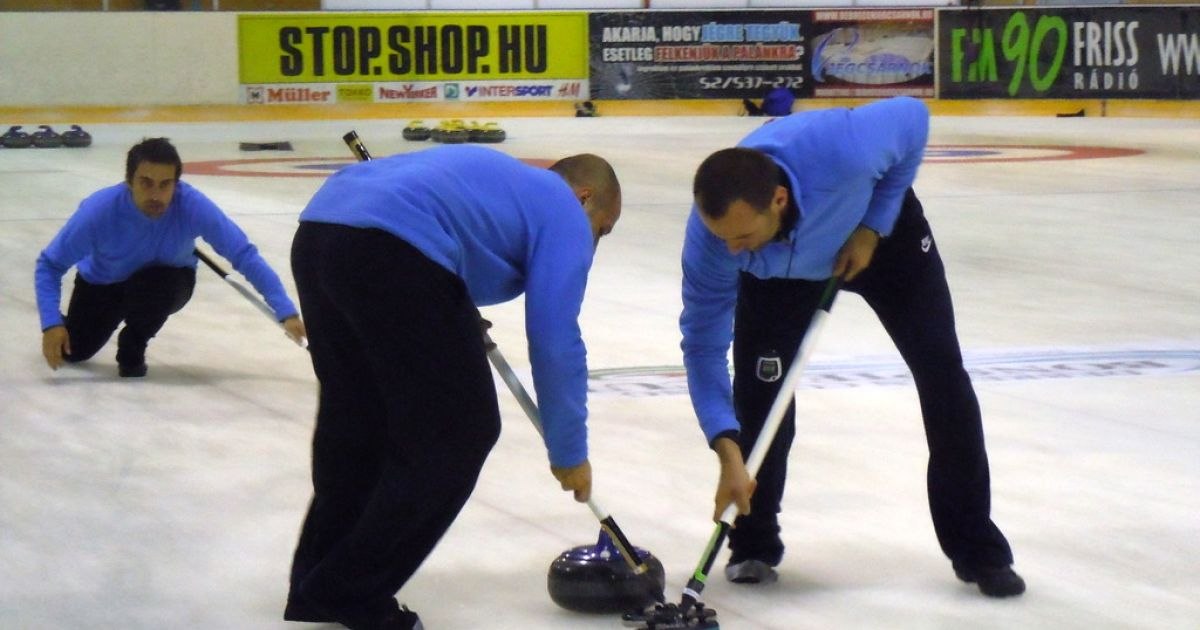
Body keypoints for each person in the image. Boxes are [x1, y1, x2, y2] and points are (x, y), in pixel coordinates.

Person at [680, 96, 1024, 597]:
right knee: (759, 393)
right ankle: (753, 541)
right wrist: (724, 446)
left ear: (777, 200)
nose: (731, 250)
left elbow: (913, 118)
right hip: (780, 274)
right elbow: (702, 348)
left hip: (882, 242)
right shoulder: (719, 242)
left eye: (742, 236)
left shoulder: (840, 150)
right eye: (723, 238)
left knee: (942, 375)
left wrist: (872, 226)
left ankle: (977, 547)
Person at [285, 144, 622, 630]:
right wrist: (569, 450)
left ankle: (315, 581)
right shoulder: (563, 210)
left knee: (357, 422)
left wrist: (451, 310)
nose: (593, 244)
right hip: (391, 247)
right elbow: (555, 338)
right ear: (585, 196)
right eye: (602, 230)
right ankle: (348, 591)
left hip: (321, 234)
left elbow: (450, 253)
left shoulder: (508, 188)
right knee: (460, 431)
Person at [35, 137, 306, 377]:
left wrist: (285, 310)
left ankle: (134, 343)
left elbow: (243, 254)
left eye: (166, 185)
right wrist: (51, 323)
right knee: (74, 351)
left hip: (166, 283)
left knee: (158, 286)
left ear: (177, 183)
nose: (156, 194)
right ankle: (72, 323)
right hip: (103, 285)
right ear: (129, 181)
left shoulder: (192, 205)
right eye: (146, 183)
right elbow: (50, 265)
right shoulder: (99, 211)